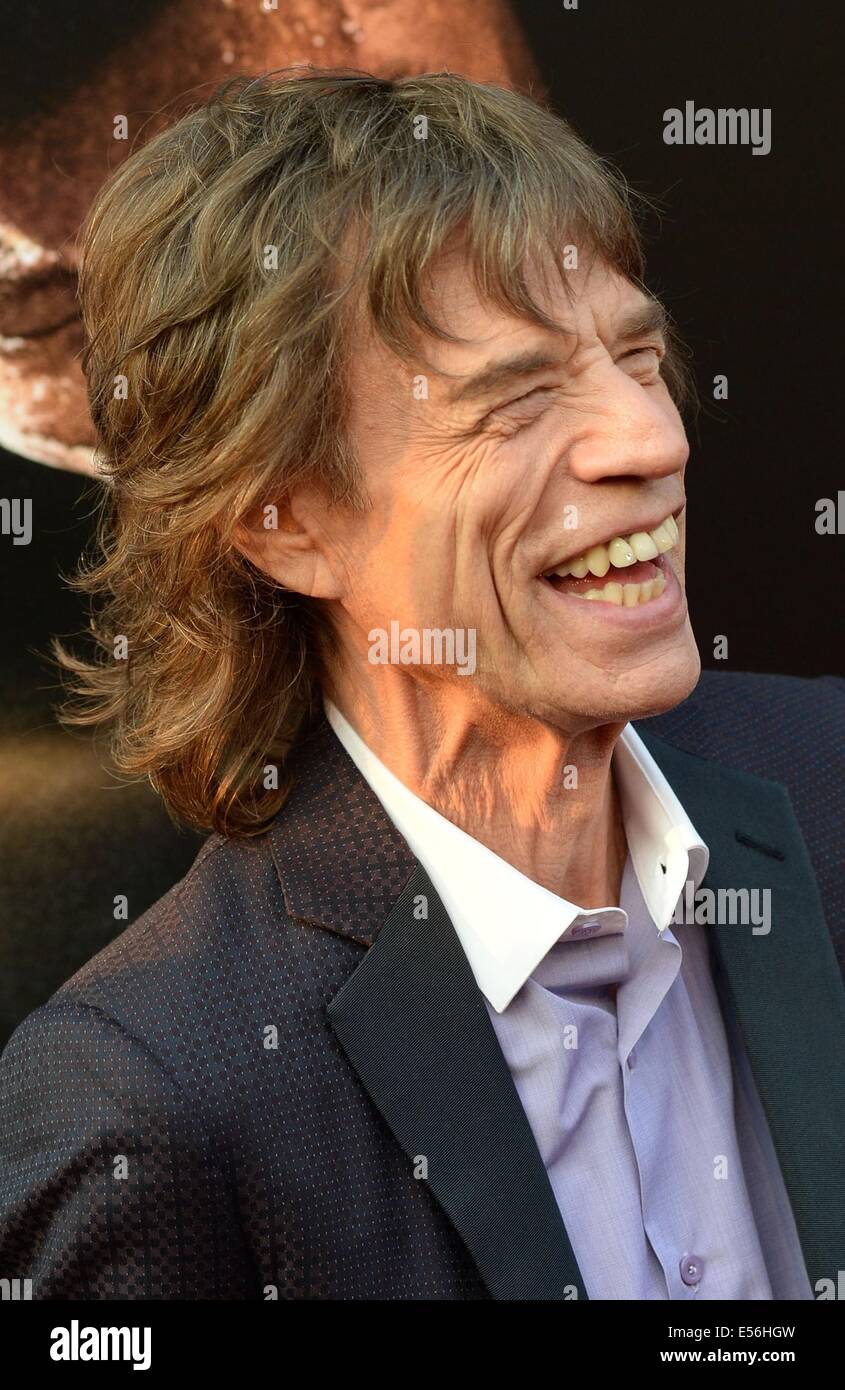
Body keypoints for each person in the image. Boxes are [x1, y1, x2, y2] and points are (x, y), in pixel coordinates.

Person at [0, 69, 842, 1301]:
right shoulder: (152, 1100)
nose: (651, 439)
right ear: (284, 519)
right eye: (515, 397)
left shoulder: (826, 786)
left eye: (636, 354)